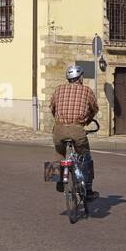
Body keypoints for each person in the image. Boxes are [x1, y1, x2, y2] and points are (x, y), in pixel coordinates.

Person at [49, 64, 98, 198]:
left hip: (59, 130)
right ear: (80, 78)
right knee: (85, 157)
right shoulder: (86, 91)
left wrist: (59, 120)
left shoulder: (58, 89)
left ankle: (56, 179)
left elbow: (52, 107)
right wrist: (87, 120)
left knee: (59, 152)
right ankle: (88, 190)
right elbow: (95, 108)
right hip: (77, 129)